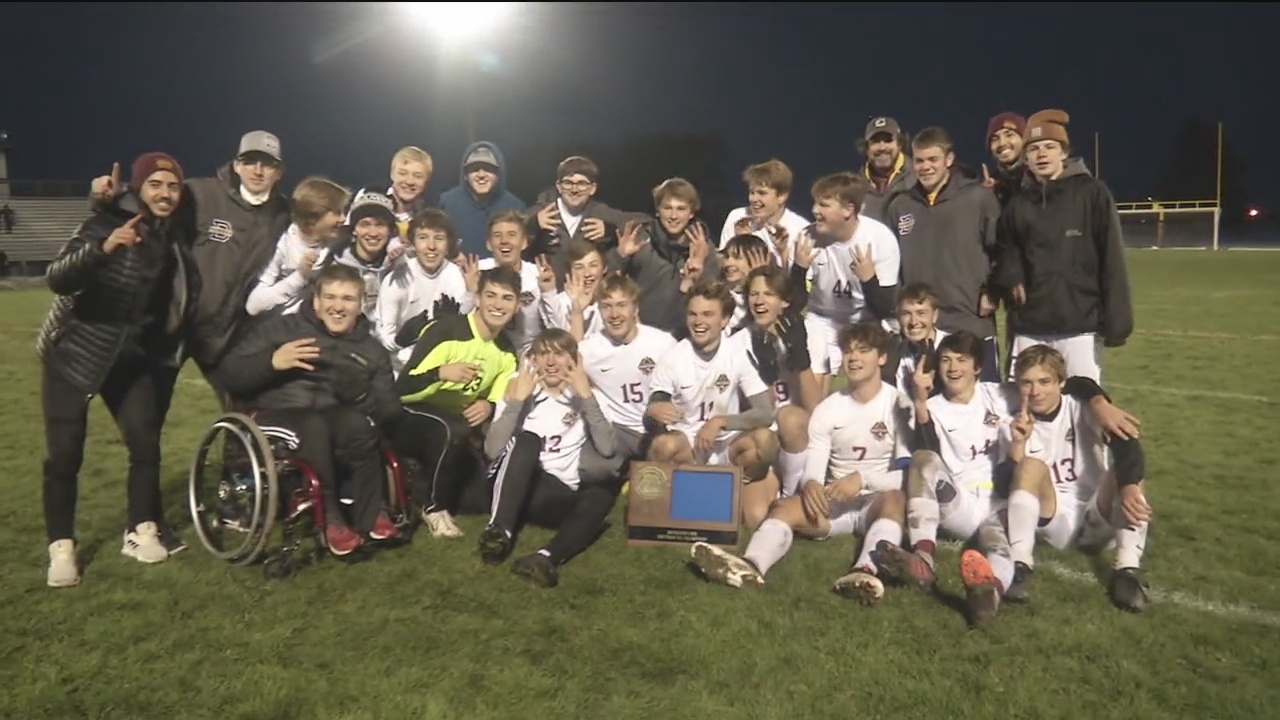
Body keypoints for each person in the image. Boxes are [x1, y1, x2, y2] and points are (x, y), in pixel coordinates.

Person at [40, 152, 198, 587]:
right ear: (138, 187)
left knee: (145, 444)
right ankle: (61, 546)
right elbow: (57, 278)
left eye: (173, 186)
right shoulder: (106, 223)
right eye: (156, 184)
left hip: (130, 358)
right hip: (74, 354)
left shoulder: (169, 234)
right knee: (65, 454)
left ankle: (140, 529)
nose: (165, 193)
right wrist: (104, 247)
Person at [689, 322, 909, 605]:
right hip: (835, 502)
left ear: (882, 358)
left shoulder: (899, 405)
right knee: (783, 507)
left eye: (863, 351)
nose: (854, 358)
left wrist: (863, 480)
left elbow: (909, 476)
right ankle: (751, 566)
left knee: (895, 499)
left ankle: (864, 572)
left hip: (875, 501)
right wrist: (813, 483)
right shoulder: (829, 408)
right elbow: (814, 465)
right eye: (848, 351)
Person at [91, 130, 291, 413]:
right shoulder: (201, 193)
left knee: (243, 412)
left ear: (279, 172)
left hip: (230, 333)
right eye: (250, 161)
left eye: (267, 164)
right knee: (149, 414)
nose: (257, 171)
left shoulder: (285, 214)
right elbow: (151, 199)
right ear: (236, 165)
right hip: (177, 326)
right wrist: (106, 197)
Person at [219, 263, 403, 555]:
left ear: (361, 305)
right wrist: (270, 363)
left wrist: (361, 396)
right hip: (275, 415)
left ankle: (372, 514)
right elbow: (229, 373)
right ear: (316, 301)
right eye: (330, 297)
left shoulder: (371, 350)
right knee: (313, 425)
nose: (338, 307)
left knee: (357, 424)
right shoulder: (283, 329)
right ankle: (329, 519)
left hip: (332, 418)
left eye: (347, 299)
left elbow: (390, 411)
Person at [1000, 343, 1153, 614]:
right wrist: (1017, 445)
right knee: (1030, 466)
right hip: (1054, 520)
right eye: (1026, 383)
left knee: (1128, 475)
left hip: (1098, 513)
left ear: (1062, 382)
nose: (1035, 391)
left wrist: (1128, 487)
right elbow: (1003, 488)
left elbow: (1128, 445)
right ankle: (1020, 565)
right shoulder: (1012, 421)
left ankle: (1127, 570)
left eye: (1045, 382)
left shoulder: (1083, 407)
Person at [994, 109, 1134, 382]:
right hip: (1030, 325)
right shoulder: (1019, 201)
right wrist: (1012, 272)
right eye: (1033, 149)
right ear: (1026, 157)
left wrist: (1118, 321)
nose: (1041, 154)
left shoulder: (1092, 193)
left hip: (1079, 326)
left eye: (1049, 147)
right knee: (1025, 399)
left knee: (1082, 399)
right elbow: (1006, 245)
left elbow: (1112, 258)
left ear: (1064, 152)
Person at [479, 329, 619, 587]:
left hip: (552, 491)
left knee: (602, 497)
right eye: (543, 354)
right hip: (510, 482)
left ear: (573, 360)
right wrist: (517, 402)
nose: (551, 362)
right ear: (533, 360)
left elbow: (608, 447)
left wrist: (586, 397)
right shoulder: (518, 387)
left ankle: (545, 558)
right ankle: (498, 532)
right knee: (528, 440)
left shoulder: (587, 395)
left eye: (559, 354)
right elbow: (492, 450)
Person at [392, 265, 521, 538]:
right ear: (478, 298)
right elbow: (401, 389)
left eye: (507, 298)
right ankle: (432, 507)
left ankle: (415, 483)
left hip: (452, 424)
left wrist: (488, 406)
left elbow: (496, 399)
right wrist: (439, 374)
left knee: (478, 502)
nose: (498, 305)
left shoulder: (507, 351)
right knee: (452, 428)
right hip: (408, 413)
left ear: (517, 306)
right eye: (491, 295)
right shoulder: (447, 330)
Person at [645, 281, 779, 529]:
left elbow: (765, 413)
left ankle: (734, 490)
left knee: (765, 443)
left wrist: (720, 422)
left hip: (728, 445)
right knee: (663, 446)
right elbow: (655, 407)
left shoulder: (737, 354)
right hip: (690, 445)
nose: (699, 322)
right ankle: (660, 510)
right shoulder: (673, 358)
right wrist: (655, 411)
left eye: (708, 314)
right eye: (693, 314)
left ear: (724, 320)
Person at [884, 127, 1003, 378]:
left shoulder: (977, 198)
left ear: (949, 159)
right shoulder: (900, 204)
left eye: (933, 159)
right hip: (922, 328)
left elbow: (1002, 250)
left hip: (969, 323)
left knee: (982, 399)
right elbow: (891, 263)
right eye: (919, 161)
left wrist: (993, 290)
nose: (926, 167)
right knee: (923, 399)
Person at [576, 274, 677, 484]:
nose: (614, 314)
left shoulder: (662, 343)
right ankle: (624, 478)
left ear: (635, 308)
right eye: (607, 306)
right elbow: (567, 364)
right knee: (591, 467)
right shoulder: (589, 349)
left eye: (622, 305)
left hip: (657, 427)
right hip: (618, 429)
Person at [803, 172, 900, 390]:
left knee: (867, 384)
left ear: (848, 209)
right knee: (813, 377)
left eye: (824, 205)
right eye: (816, 204)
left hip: (865, 319)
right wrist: (799, 269)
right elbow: (795, 298)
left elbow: (886, 308)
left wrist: (869, 280)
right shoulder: (807, 237)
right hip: (822, 318)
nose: (815, 210)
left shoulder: (879, 239)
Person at [730, 264, 819, 497]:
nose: (759, 301)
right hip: (762, 434)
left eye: (768, 294)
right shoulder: (737, 343)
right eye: (754, 294)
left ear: (785, 301)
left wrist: (801, 359)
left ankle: (790, 494)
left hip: (800, 435)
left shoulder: (810, 332)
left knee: (789, 417)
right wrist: (766, 372)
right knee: (756, 512)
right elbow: (760, 412)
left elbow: (815, 408)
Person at [603, 179, 719, 338]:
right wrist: (620, 256)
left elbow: (712, 298)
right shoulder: (639, 240)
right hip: (639, 332)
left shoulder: (703, 247)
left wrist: (699, 273)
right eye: (667, 208)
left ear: (691, 213)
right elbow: (605, 284)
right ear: (657, 211)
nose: (673, 216)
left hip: (684, 336)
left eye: (681, 209)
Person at [374, 208, 476, 373]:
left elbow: (463, 328)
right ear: (413, 244)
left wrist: (471, 295)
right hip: (398, 366)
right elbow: (383, 337)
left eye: (439, 238)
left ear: (448, 245)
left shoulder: (455, 276)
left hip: (442, 363)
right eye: (423, 238)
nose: (431, 246)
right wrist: (401, 340)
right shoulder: (399, 278)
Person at [245, 177, 350, 316]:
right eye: (337, 213)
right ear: (313, 218)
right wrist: (300, 277)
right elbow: (253, 306)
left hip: (314, 321)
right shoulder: (282, 245)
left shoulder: (337, 237)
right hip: (280, 323)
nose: (343, 219)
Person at [437, 141, 526, 256]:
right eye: (474, 169)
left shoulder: (515, 206)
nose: (481, 175)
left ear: (498, 174)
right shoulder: (447, 203)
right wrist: (451, 257)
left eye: (488, 169)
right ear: (465, 175)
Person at [717, 159, 809, 264]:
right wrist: (741, 241)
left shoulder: (800, 231)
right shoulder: (737, 217)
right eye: (752, 192)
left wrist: (783, 252)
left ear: (782, 196)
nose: (754, 199)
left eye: (762, 193)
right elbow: (722, 263)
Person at [858, 116, 915, 222]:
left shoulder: (919, 178)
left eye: (888, 140)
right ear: (866, 148)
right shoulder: (855, 188)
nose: (882, 147)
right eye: (875, 141)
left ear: (899, 144)